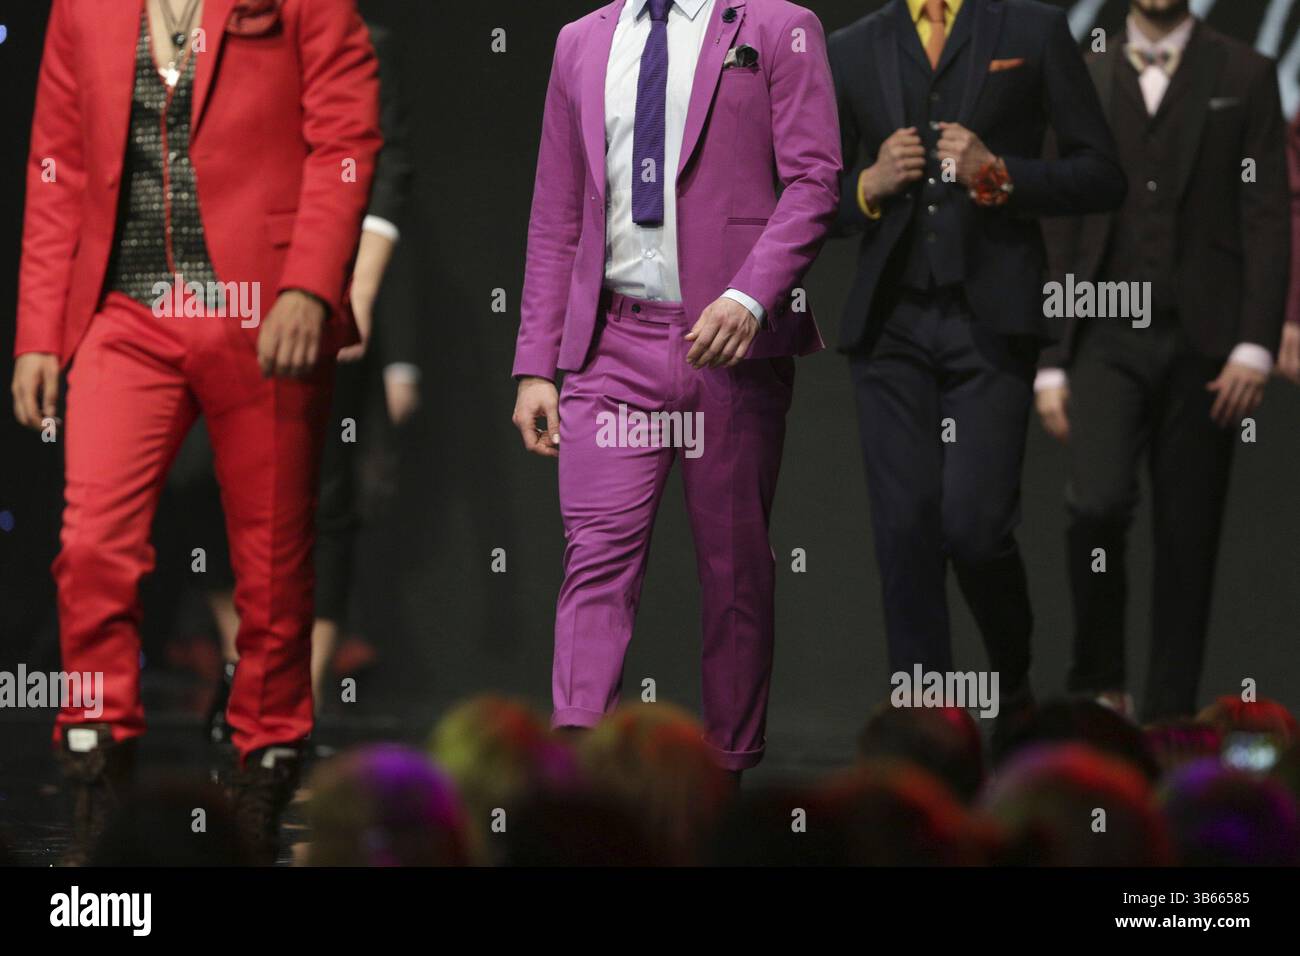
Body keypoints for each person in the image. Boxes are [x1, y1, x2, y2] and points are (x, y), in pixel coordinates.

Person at [11, 0, 380, 863]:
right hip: (127, 310)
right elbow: (54, 166)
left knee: (274, 560)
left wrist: (309, 285)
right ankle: (96, 757)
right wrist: (37, 332)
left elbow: (347, 142)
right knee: (92, 543)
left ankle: (264, 766)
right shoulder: (84, 9)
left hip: (262, 306)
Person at [509, 0, 839, 776]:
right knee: (595, 561)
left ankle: (725, 776)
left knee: (734, 570)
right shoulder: (580, 43)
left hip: (727, 345)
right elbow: (556, 213)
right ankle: (578, 782)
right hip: (610, 347)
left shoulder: (776, 26)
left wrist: (751, 296)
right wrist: (535, 362)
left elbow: (816, 180)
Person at [828, 0, 1125, 744]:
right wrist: (869, 185)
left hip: (990, 320)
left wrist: (999, 175)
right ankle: (924, 737)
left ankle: (1010, 673)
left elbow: (1102, 175)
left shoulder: (1030, 29)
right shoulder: (852, 47)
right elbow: (808, 193)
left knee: (975, 529)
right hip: (891, 328)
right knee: (905, 532)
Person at [1035, 0, 1289, 722]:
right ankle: (1099, 688)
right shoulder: (1084, 73)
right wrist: (1051, 357)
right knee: (1095, 506)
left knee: (1188, 534)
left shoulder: (1245, 71)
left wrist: (1254, 342)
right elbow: (1058, 219)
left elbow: (1265, 209)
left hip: (1204, 342)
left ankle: (1172, 718)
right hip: (1103, 335)